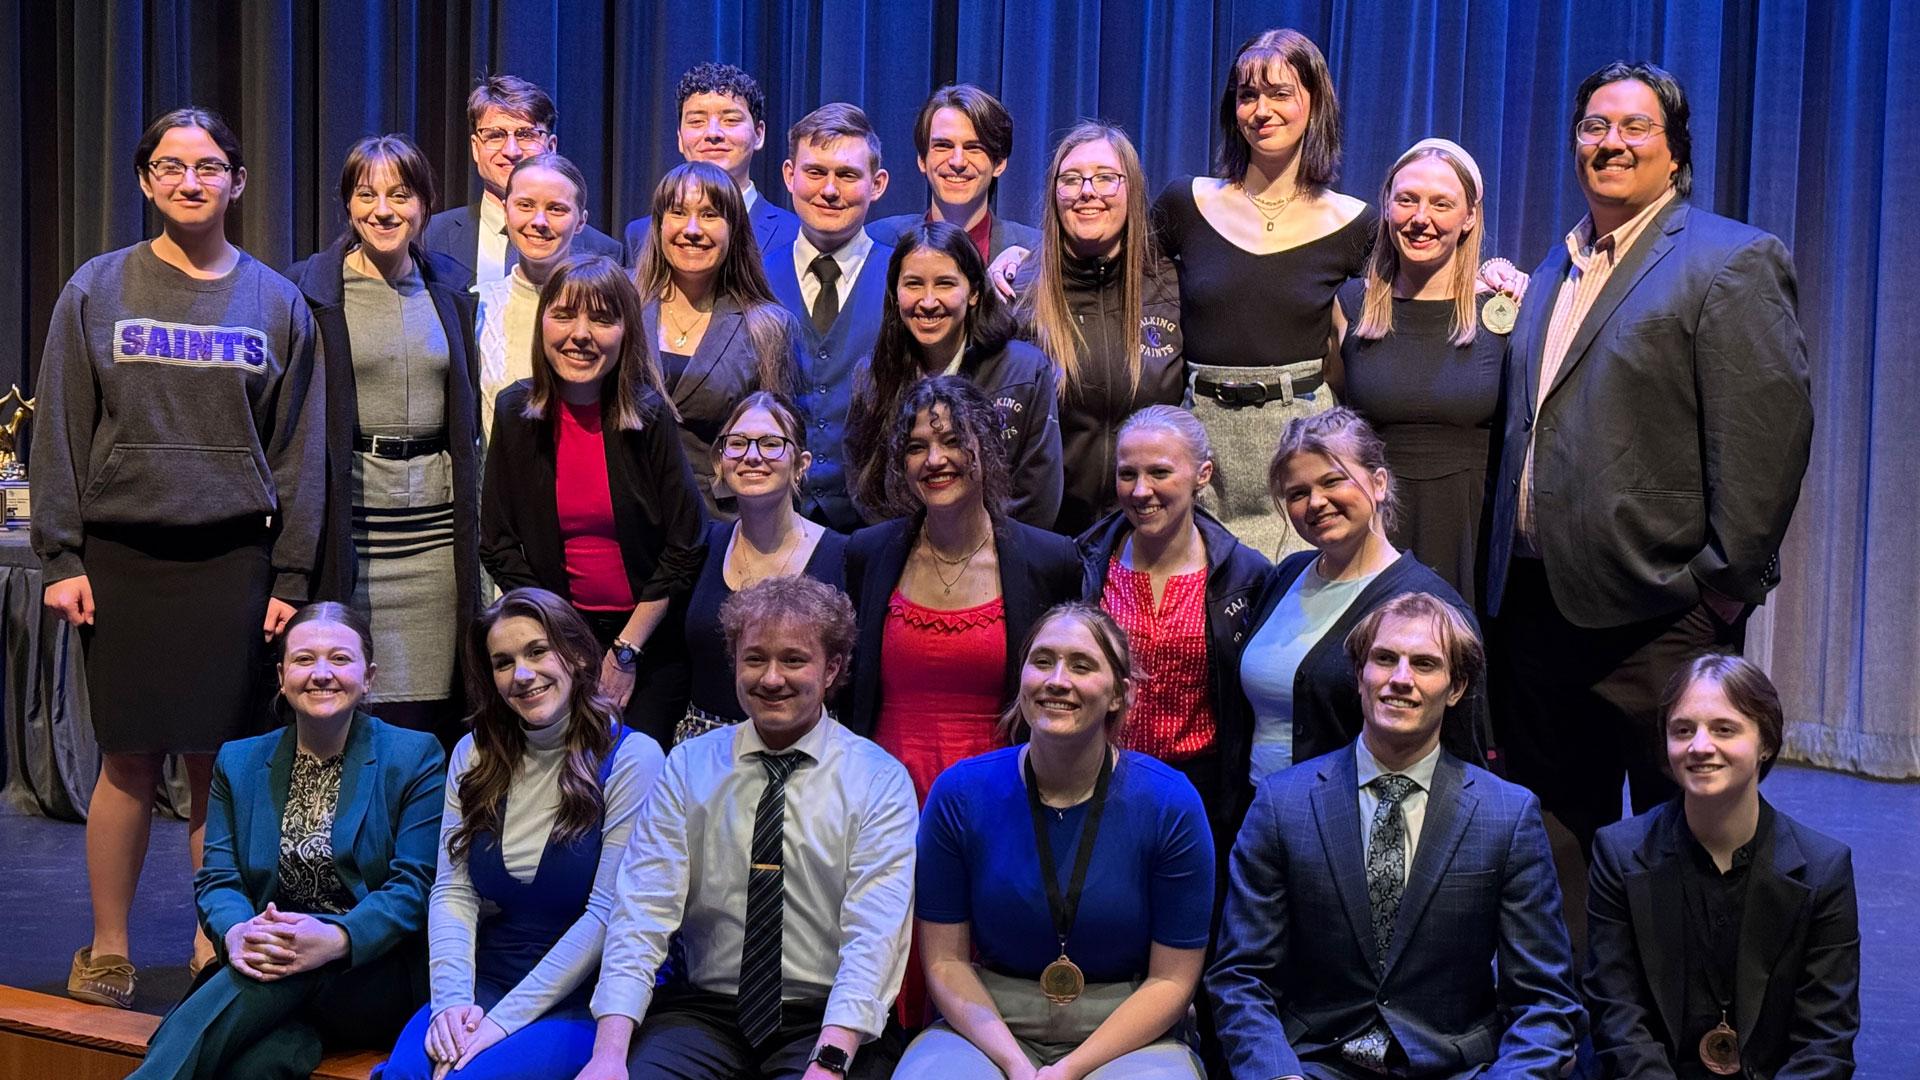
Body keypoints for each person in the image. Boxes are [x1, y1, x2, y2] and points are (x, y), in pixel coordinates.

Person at [1482, 61, 1814, 856]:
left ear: (1675, 153)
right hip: (1535, 612)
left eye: (1636, 127)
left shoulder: (1729, 259)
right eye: (1595, 127)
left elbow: (1766, 440)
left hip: (1662, 618)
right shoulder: (1555, 268)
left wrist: (1721, 592)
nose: (1611, 143)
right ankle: (1561, 988)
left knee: (1687, 849)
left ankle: (1677, 989)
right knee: (1555, 837)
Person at [33, 106, 325, 1004]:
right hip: (121, 560)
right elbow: (61, 432)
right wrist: (61, 558)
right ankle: (110, 948)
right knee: (127, 757)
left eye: (207, 167)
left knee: (216, 765)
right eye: (169, 166)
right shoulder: (97, 288)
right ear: (146, 181)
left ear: (236, 181)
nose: (188, 181)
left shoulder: (276, 301)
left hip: (233, 563)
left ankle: (212, 938)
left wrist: (290, 577)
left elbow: (299, 450)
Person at [1207, 592, 1582, 1079]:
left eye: (1425, 664)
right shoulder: (1284, 804)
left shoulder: (1507, 816)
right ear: (1359, 674)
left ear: (1456, 687)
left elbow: (1545, 1004)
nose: (1400, 679)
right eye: (1385, 659)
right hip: (1315, 1067)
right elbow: (1241, 978)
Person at [574, 576, 917, 1080]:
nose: (771, 678)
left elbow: (874, 939)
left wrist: (829, 1063)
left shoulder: (878, 779)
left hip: (825, 1018)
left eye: (794, 660)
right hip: (705, 1012)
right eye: (755, 658)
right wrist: (607, 1057)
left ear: (833, 669)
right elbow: (641, 913)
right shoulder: (688, 767)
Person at [899, 602, 1214, 1079]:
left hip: (1128, 1028)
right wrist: (1014, 1064)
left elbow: (1172, 980)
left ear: (1119, 694)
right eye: (1042, 661)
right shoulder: (960, 793)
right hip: (989, 1020)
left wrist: (1067, 1071)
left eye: (1082, 665)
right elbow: (945, 961)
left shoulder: (1170, 804)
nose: (1057, 680)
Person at [129, 604, 444, 1079]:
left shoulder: (414, 756)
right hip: (268, 971)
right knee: (263, 1062)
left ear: (369, 675)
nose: (321, 674)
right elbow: (218, 880)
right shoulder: (238, 762)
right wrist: (236, 934)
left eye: (339, 659)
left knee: (282, 963)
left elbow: (414, 888)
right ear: (281, 675)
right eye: (303, 660)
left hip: (373, 974)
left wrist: (334, 937)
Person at [382, 588, 666, 1080]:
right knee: (407, 1074)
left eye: (538, 651)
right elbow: (453, 888)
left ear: (577, 654)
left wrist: (499, 1025)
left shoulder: (634, 759)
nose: (523, 675)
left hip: (580, 997)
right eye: (503, 662)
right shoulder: (474, 753)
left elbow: (606, 915)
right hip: (483, 982)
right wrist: (451, 1003)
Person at [1150, 29, 1374, 560]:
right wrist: (1022, 259)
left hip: (1301, 445)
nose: (1261, 110)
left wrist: (1501, 278)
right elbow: (1116, 273)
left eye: (1280, 94)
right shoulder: (1187, 203)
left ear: (1313, 104)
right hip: (1203, 439)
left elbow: (1417, 294)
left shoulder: (1354, 222)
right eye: (1248, 96)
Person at [288, 134, 481, 744]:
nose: (384, 209)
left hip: (435, 538)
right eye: (366, 194)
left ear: (425, 204)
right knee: (352, 712)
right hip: (354, 534)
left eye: (401, 194)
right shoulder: (309, 290)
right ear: (347, 205)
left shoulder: (452, 288)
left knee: (427, 718)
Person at [1586, 655, 1860, 1079]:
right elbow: (1618, 1022)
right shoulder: (1618, 853)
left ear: (1766, 742)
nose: (1699, 746)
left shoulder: (1825, 868)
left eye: (1724, 728)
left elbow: (1824, 1044)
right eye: (1682, 730)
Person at [479, 255, 706, 744]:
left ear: (626, 332)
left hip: (649, 642)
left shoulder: (649, 416)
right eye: (564, 315)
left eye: (601, 318)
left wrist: (625, 651)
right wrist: (563, 639)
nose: (580, 334)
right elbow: (496, 544)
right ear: (542, 323)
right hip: (555, 642)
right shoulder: (516, 412)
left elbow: (687, 542)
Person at [843, 376, 1082, 795]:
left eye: (952, 441)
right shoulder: (868, 553)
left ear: (987, 448)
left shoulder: (1049, 561)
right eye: (916, 448)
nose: (935, 459)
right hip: (881, 804)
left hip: (1002, 801)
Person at [1233, 408, 1487, 799]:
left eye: (1332, 482)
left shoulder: (1427, 603)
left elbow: (1460, 753)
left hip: (1351, 824)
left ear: (1379, 482)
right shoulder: (1285, 575)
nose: (1316, 502)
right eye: (1298, 493)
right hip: (1257, 814)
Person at [1076, 406, 1268, 837]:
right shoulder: (1086, 562)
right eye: (1128, 474)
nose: (1141, 490)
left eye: (1160, 472)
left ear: (1203, 474)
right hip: (1100, 779)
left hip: (1201, 791)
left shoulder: (1245, 575)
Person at [1336, 138, 1508, 606]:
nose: (1420, 218)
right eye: (1407, 199)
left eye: (1441, 204)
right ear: (1387, 204)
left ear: (1470, 216)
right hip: (1375, 529)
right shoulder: (1349, 305)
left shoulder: (1502, 311)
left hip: (1471, 533)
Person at [1015, 121, 1185, 536]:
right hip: (1050, 538)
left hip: (1150, 535)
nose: (1087, 191)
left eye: (1106, 178)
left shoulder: (1172, 284)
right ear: (1055, 194)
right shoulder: (1017, 291)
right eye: (1071, 179)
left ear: (1133, 190)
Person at [846, 220, 1063, 528]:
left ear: (974, 292)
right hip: (905, 559)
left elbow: (1037, 496)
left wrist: (981, 554)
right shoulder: (873, 377)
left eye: (945, 284)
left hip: (1001, 561)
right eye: (913, 284)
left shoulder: (1025, 370)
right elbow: (865, 488)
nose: (929, 301)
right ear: (895, 294)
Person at [633, 161, 805, 517]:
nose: (692, 229)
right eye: (678, 212)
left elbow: (780, 449)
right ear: (659, 224)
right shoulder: (623, 310)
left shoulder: (769, 327)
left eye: (710, 214)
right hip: (630, 522)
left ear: (734, 229)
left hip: (723, 527)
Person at [679, 392, 848, 743]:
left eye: (771, 444)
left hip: (806, 751)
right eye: (737, 444)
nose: (752, 456)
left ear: (801, 464)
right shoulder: (703, 546)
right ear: (720, 463)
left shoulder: (844, 554)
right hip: (705, 750)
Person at [762, 103, 892, 530]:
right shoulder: (754, 278)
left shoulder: (904, 281)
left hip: (875, 525)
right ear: (788, 176)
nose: (830, 190)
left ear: (877, 185)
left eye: (848, 175)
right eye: (815, 172)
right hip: (772, 521)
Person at [423, 74, 622, 290]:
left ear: (551, 147)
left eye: (526, 134)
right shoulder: (430, 237)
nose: (511, 151)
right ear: (475, 148)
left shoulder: (605, 252)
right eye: (495, 135)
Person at [622, 62, 800, 260]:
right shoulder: (641, 234)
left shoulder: (794, 234)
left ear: (759, 134)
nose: (713, 133)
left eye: (730, 120)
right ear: (680, 138)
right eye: (697, 121)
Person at [476, 152, 593, 438]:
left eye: (556, 209)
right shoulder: (479, 305)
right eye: (525, 205)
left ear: (580, 221)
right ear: (506, 211)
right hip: (495, 479)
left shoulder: (603, 310)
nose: (539, 220)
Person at [866, 84, 1040, 263]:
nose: (958, 162)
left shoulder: (1037, 252)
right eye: (943, 146)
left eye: (974, 148)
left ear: (999, 163)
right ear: (922, 160)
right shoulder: (876, 242)